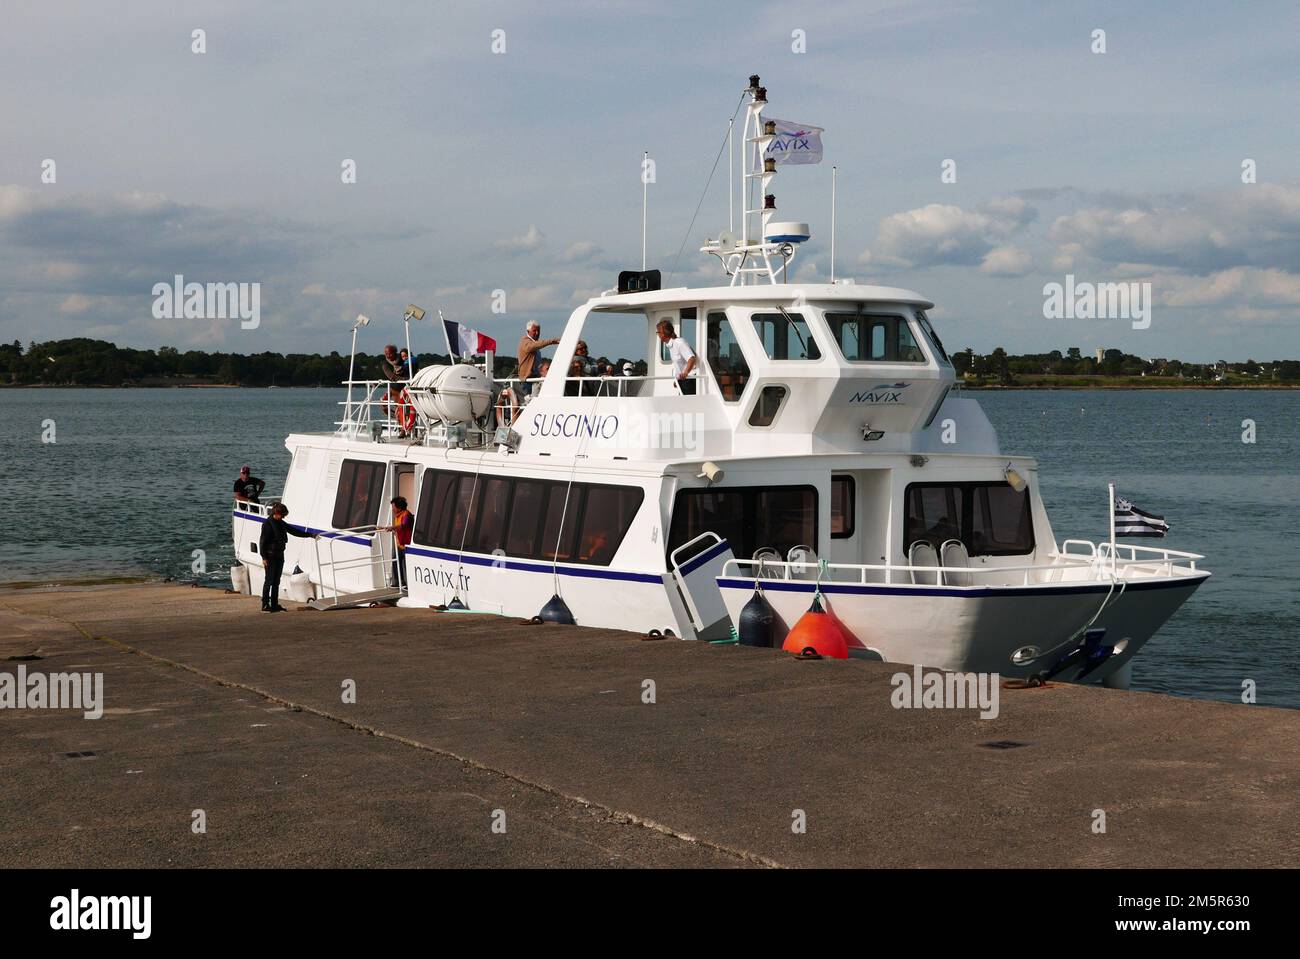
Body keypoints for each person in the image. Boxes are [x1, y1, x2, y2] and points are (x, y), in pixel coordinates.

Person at [258, 503, 318, 612]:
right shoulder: (267, 524)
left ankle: (275, 605)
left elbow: (294, 531)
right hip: (270, 556)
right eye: (282, 515)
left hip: (279, 555)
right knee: (269, 581)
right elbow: (262, 542)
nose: (283, 517)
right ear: (276, 513)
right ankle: (265, 605)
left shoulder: (280, 523)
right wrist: (264, 557)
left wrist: (310, 535)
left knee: (276, 581)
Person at [516, 321, 559, 402]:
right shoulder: (525, 341)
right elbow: (532, 346)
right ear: (528, 331)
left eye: (538, 331)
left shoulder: (534, 343)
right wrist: (550, 341)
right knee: (530, 403)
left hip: (535, 379)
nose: (537, 333)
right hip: (528, 380)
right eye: (534, 331)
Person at [380, 496, 414, 589]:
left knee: (406, 565)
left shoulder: (407, 514)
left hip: (406, 545)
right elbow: (398, 528)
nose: (393, 509)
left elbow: (404, 525)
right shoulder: (398, 516)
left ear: (399, 507)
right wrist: (386, 528)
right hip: (399, 543)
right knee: (396, 562)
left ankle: (408, 584)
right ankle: (398, 582)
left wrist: (393, 528)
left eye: (393, 507)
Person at [656, 319, 697, 395]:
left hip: (690, 380)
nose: (657, 335)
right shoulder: (671, 345)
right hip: (683, 381)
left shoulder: (679, 343)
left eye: (658, 332)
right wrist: (677, 380)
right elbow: (679, 365)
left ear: (663, 333)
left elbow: (692, 358)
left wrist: (686, 373)